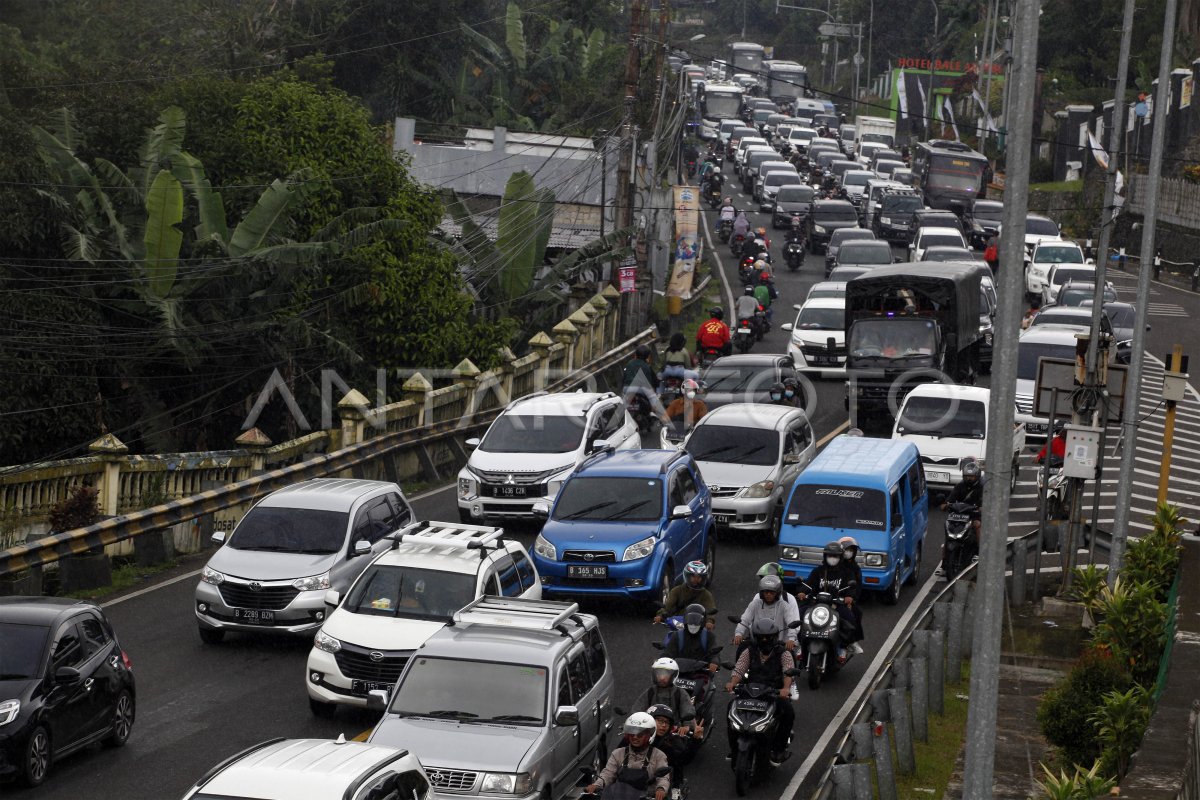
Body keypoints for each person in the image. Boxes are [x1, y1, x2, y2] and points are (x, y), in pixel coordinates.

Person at [725, 618, 795, 767]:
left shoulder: (784, 653)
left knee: (788, 712)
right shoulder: (749, 651)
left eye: (768, 637)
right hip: (750, 691)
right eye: (760, 637)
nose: (764, 640)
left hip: (774, 693)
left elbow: (788, 673)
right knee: (731, 708)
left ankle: (778, 750)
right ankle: (734, 748)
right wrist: (732, 683)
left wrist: (785, 689)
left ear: (774, 637)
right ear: (755, 637)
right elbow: (739, 669)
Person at [796, 541, 862, 661]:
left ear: (840, 557)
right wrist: (802, 592)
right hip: (817, 604)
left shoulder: (847, 573)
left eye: (835, 556)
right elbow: (809, 585)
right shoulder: (818, 571)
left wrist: (849, 597)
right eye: (829, 556)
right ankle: (800, 643)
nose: (832, 558)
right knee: (799, 615)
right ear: (825, 556)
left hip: (837, 604)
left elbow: (852, 587)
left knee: (850, 619)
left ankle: (844, 646)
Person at [587, 713, 671, 800]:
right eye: (632, 734)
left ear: (648, 735)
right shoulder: (617, 753)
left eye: (640, 735)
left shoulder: (659, 756)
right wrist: (596, 785)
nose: (635, 737)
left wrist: (661, 789)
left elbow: (663, 778)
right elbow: (608, 774)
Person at [938, 459, 986, 575]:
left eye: (972, 476)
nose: (969, 479)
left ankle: (979, 554)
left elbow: (987, 503)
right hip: (959, 516)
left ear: (977, 476)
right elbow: (949, 500)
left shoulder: (982, 488)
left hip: (974, 515)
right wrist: (945, 505)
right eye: (967, 476)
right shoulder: (959, 486)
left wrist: (982, 508)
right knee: (948, 529)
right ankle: (944, 562)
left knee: (977, 525)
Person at [732, 574, 799, 653]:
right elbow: (745, 619)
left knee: (789, 660)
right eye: (766, 592)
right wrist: (738, 634)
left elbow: (791, 622)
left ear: (777, 593)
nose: (768, 594)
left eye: (772, 592)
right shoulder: (755, 604)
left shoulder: (784, 605)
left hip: (778, 646)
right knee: (741, 652)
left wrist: (791, 639)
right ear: (761, 592)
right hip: (756, 644)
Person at [635, 658, 696, 737]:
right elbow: (638, 708)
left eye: (666, 674)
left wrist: (686, 725)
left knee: (680, 747)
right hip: (651, 728)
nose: (662, 678)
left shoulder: (679, 693)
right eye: (659, 674)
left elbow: (687, 709)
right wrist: (634, 721)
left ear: (673, 675)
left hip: (673, 730)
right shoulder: (650, 692)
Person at [647, 704, 701, 786]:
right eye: (660, 720)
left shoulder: (671, 740)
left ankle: (676, 786)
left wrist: (696, 739)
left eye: (667, 722)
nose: (664, 725)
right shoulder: (636, 736)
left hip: (660, 780)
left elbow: (685, 759)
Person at [656, 561, 716, 628]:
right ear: (687, 576)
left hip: (698, 626)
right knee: (670, 638)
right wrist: (660, 615)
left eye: (699, 577)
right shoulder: (676, 591)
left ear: (703, 578)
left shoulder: (706, 594)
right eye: (693, 577)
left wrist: (709, 622)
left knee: (709, 638)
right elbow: (667, 607)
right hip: (679, 624)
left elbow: (710, 609)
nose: (696, 580)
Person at [663, 602, 720, 672]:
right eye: (690, 618)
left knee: (711, 683)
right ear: (685, 619)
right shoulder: (677, 635)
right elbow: (668, 652)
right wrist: (662, 661)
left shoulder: (709, 636)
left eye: (697, 619)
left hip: (702, 674)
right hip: (679, 672)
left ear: (703, 621)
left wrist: (714, 662)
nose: (693, 624)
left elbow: (714, 652)